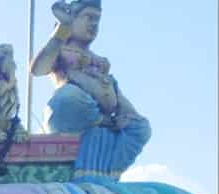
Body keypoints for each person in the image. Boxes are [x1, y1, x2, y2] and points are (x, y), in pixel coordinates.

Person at [29, 0, 150, 177]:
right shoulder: (61, 49)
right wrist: (62, 29)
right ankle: (100, 123)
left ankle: (110, 170)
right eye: (89, 17)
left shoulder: (100, 61)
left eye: (97, 19)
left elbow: (114, 91)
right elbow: (38, 69)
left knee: (141, 126)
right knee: (68, 96)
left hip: (106, 119)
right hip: (73, 114)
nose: (94, 24)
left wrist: (128, 115)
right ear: (73, 18)